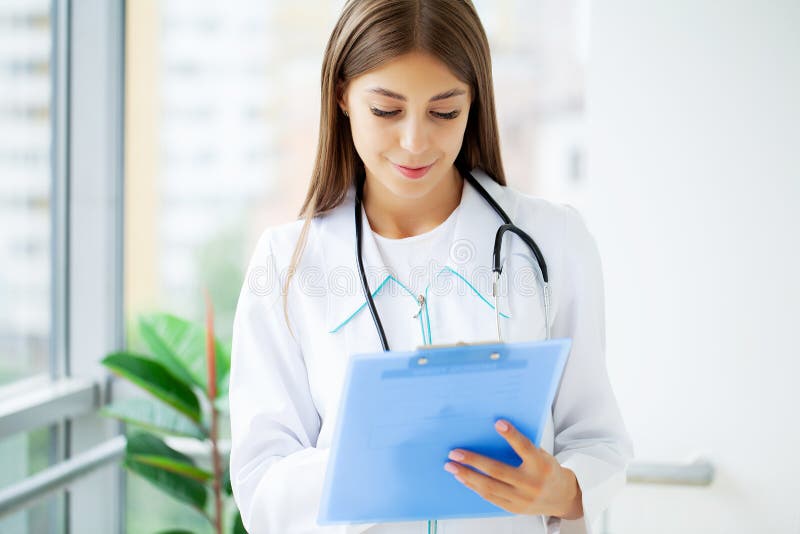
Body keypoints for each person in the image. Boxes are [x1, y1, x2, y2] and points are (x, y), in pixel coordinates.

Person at [228, 1, 634, 533]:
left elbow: (598, 439)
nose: (416, 142)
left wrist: (564, 488)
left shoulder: (552, 242)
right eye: (387, 110)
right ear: (342, 96)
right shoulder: (288, 263)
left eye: (445, 112)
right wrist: (383, 454)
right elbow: (262, 487)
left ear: (475, 104)